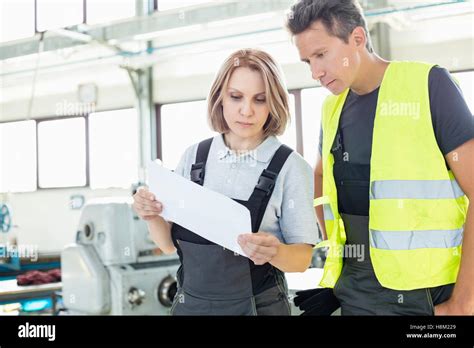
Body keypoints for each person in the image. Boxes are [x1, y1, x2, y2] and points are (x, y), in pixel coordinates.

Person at [286, 0, 474, 315]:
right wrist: (339, 274)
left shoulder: (429, 85)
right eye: (307, 61)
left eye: (321, 54)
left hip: (427, 296)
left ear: (357, 39)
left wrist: (464, 301)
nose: (316, 72)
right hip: (356, 293)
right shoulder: (331, 109)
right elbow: (321, 177)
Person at [133, 48, 319, 315]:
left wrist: (274, 252)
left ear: (274, 103)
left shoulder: (291, 167)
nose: (246, 111)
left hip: (258, 307)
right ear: (220, 97)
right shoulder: (194, 158)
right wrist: (150, 215)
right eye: (235, 97)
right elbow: (166, 245)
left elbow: (301, 260)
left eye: (260, 100)